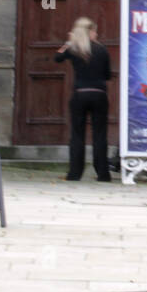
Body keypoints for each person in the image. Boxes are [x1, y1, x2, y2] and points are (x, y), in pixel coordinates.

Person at [54, 17, 112, 182]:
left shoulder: (73, 49)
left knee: (77, 134)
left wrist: (68, 42)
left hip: (80, 94)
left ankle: (74, 173)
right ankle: (103, 173)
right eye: (95, 30)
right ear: (89, 32)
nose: (97, 33)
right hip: (99, 94)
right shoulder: (102, 50)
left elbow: (57, 58)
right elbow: (107, 75)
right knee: (100, 135)